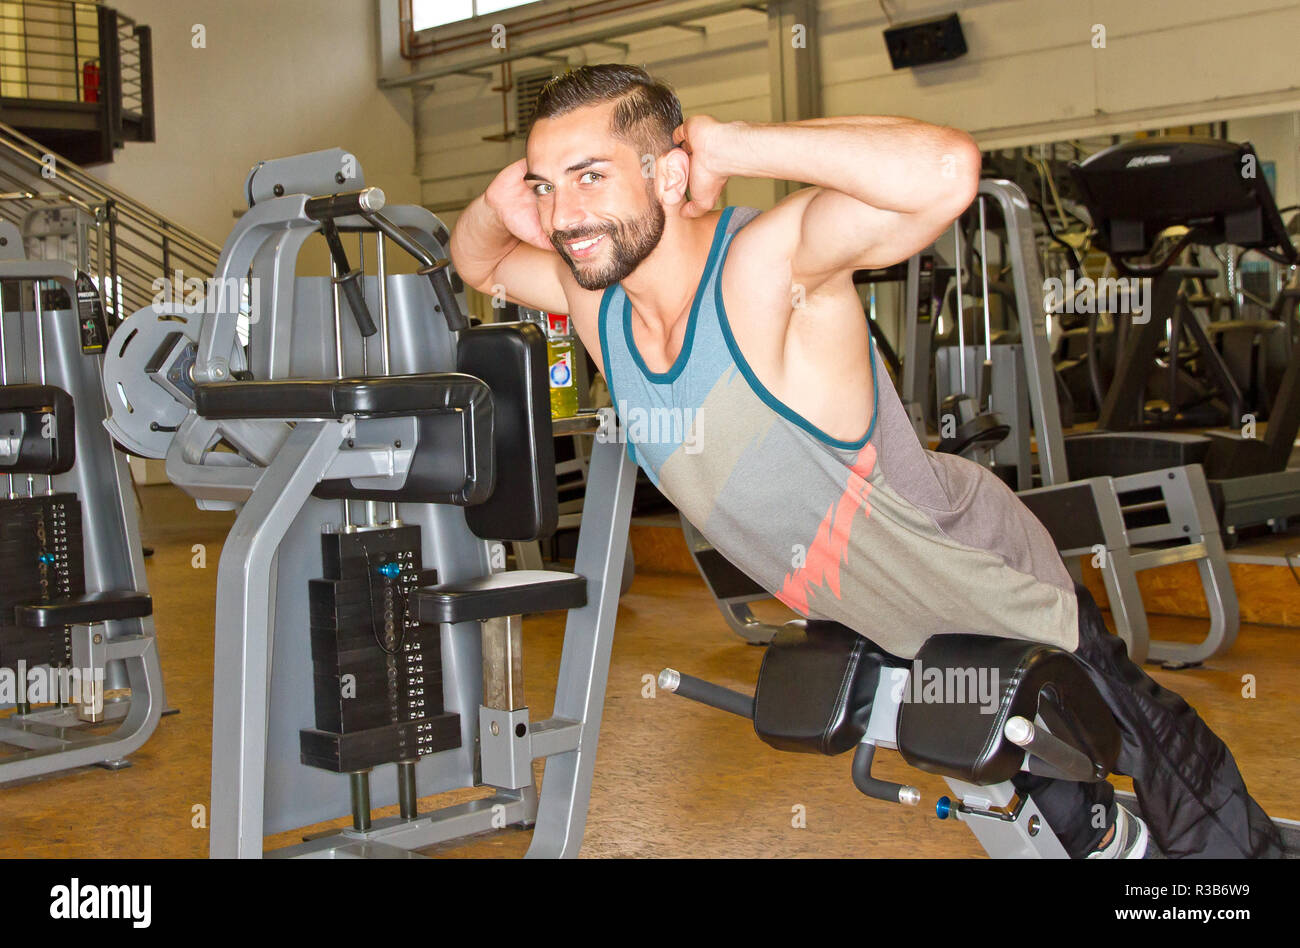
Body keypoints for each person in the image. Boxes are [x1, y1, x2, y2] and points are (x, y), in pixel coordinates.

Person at [449, 63, 1284, 859]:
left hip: (967, 568)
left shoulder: (765, 268)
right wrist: (503, 196)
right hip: (871, 603)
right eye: (547, 186)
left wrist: (736, 144)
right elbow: (477, 261)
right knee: (1023, 780)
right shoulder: (597, 301)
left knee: (1148, 745)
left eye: (591, 176)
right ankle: (1107, 835)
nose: (562, 216)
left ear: (670, 177)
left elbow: (947, 171)